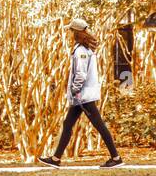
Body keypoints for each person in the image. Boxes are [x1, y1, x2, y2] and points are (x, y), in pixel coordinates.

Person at [38, 17, 123, 168]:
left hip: (83, 96)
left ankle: (116, 158)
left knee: (99, 125)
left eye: (71, 31)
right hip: (81, 96)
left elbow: (81, 74)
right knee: (67, 124)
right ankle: (56, 159)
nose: (69, 33)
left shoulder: (81, 51)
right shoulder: (84, 49)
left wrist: (74, 89)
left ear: (75, 32)